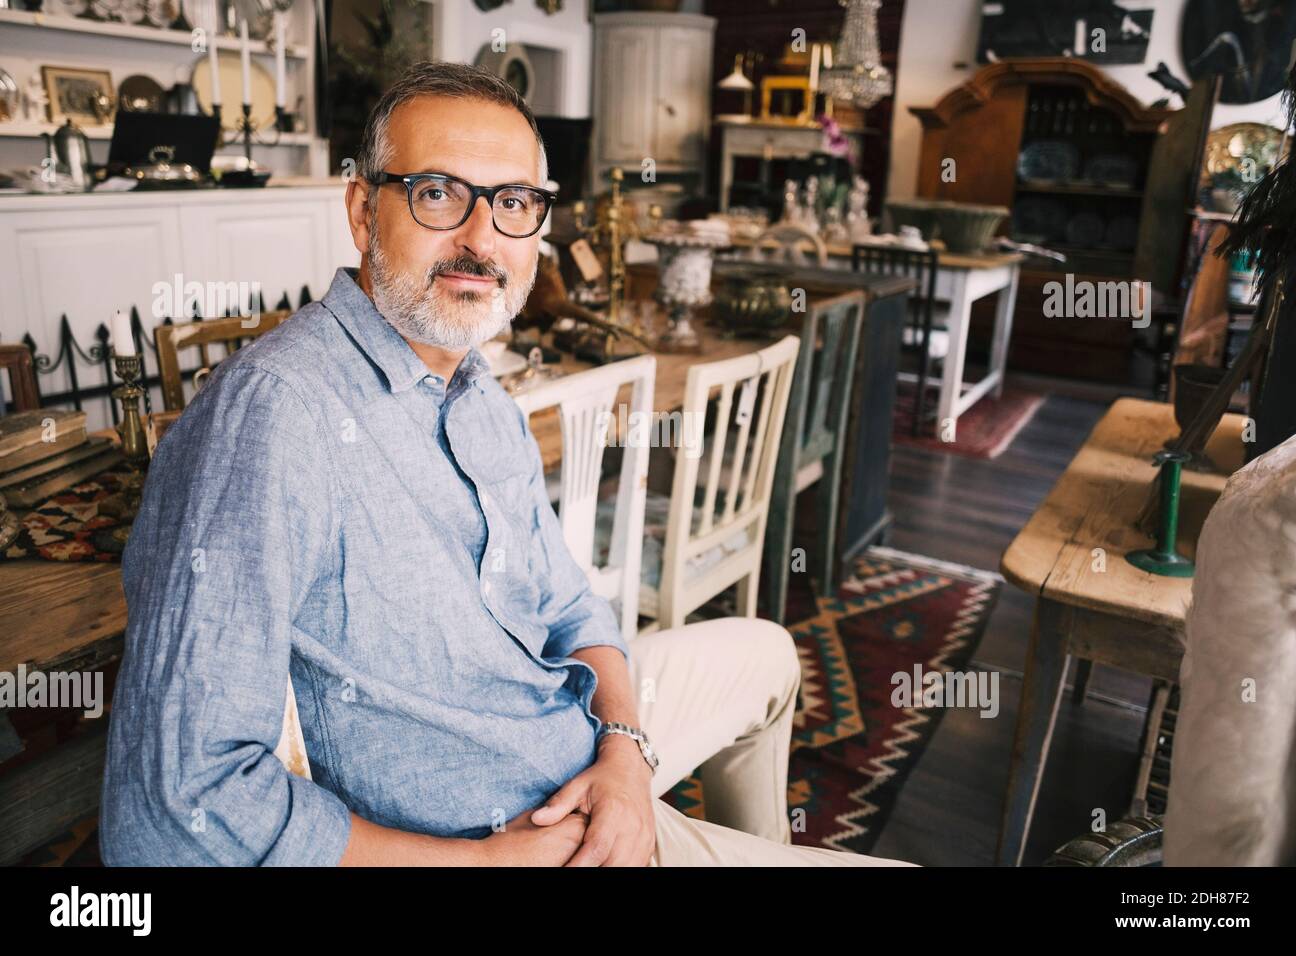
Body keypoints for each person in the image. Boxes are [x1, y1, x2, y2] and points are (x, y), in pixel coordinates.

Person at [99, 61, 913, 868]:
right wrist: (484, 864)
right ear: (361, 209)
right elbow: (181, 803)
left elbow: (569, 608)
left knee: (769, 652)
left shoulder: (478, 390)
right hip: (505, 835)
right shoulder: (272, 418)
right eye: (437, 193)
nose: (481, 239)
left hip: (578, 749)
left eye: (513, 202)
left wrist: (626, 757)